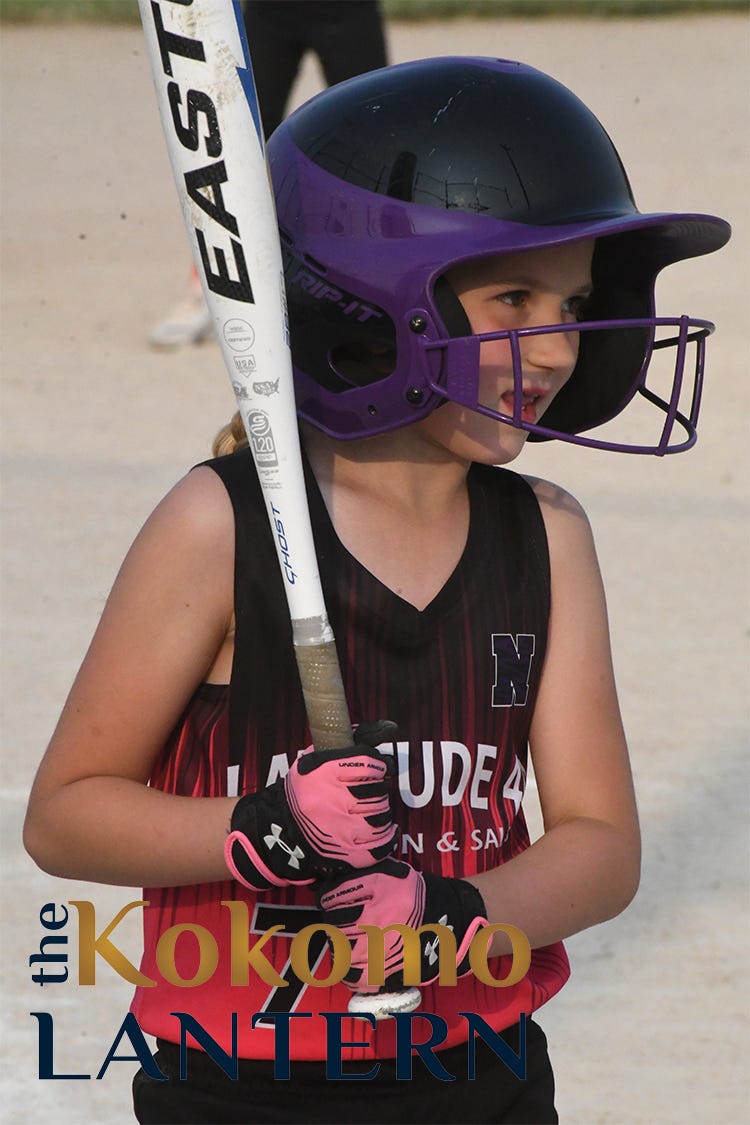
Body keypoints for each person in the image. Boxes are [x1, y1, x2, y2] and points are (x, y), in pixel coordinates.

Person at [24, 57, 729, 1125]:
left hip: (480, 1077)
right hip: (239, 1085)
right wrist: (257, 831)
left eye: (574, 304)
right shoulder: (221, 527)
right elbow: (66, 820)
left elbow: (600, 847)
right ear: (372, 298)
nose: (553, 346)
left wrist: (455, 913)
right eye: (512, 298)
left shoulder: (546, 537)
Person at [147, 0, 388, 349]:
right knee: (230, 140)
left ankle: (378, 291)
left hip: (349, 11)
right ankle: (211, 288)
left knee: (372, 150)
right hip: (269, 12)